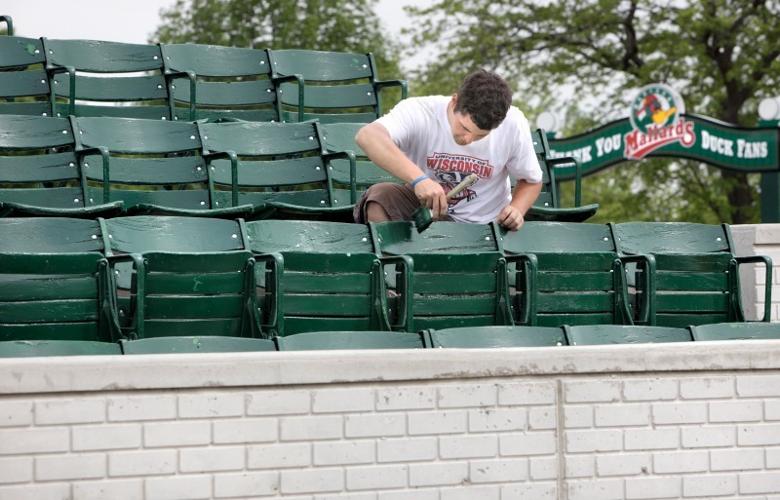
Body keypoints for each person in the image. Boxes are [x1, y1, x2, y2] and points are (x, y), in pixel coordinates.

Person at [352, 69, 543, 230]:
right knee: (380, 196)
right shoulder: (420, 111)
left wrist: (517, 209)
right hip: (426, 215)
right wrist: (419, 180)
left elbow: (531, 180)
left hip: (486, 228)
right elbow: (368, 136)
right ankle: (392, 269)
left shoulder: (514, 123)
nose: (469, 139)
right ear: (454, 102)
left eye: (480, 135)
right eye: (465, 128)